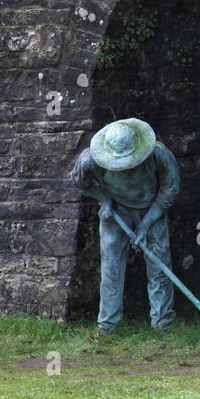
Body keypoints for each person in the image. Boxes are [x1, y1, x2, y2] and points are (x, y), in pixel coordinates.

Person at [70, 118, 180, 334]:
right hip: (116, 215)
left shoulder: (159, 154)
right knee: (111, 268)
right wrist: (105, 200)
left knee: (159, 268)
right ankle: (108, 326)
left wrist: (146, 225)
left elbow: (170, 190)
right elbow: (80, 182)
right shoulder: (89, 160)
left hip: (151, 211)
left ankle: (163, 325)